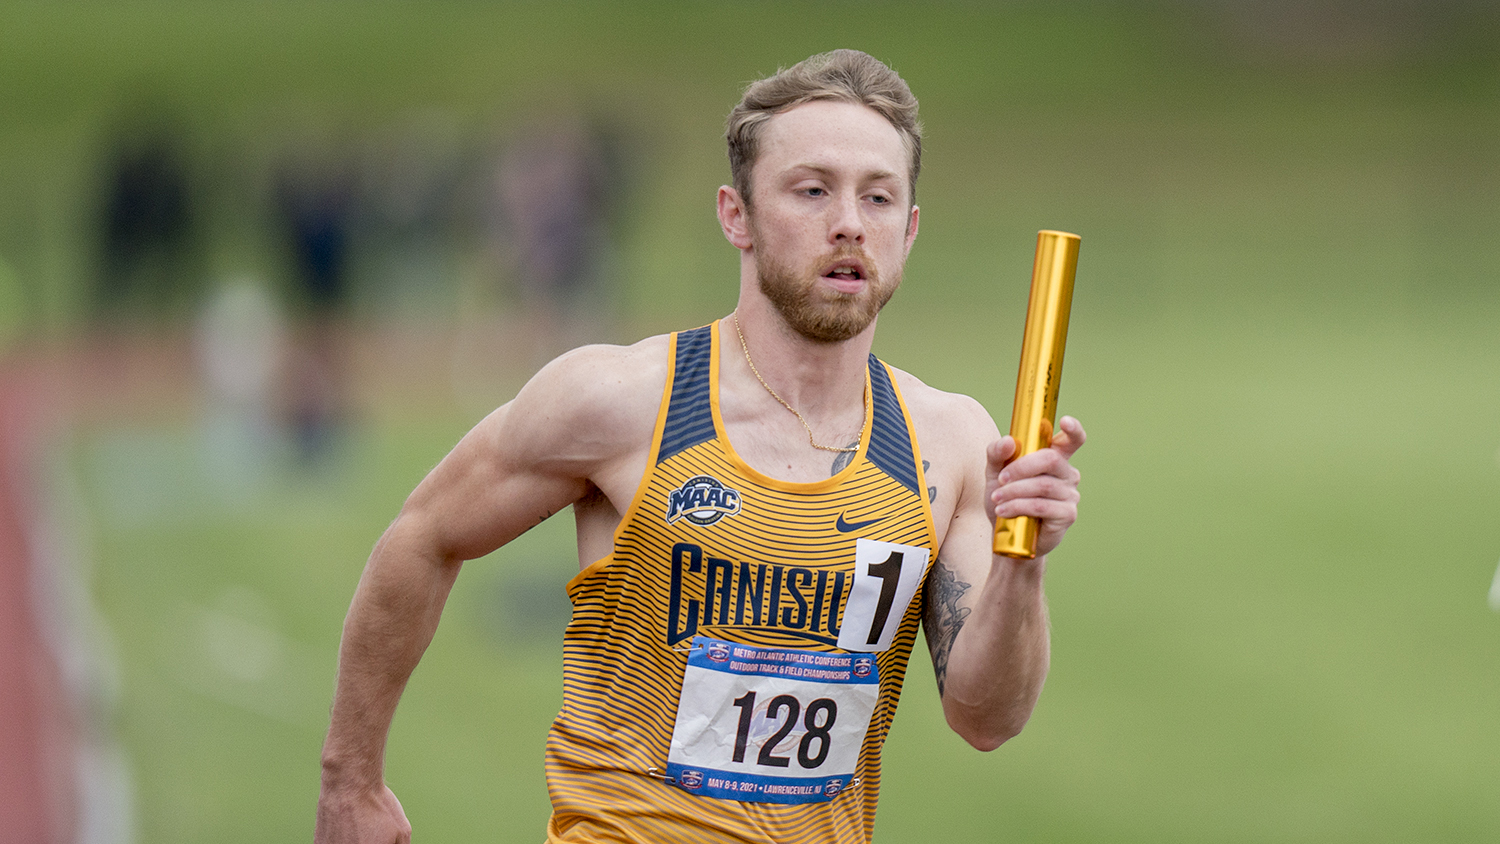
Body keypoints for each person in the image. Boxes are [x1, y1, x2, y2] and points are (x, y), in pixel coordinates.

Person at [314, 49, 1085, 844]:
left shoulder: (950, 442)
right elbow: (423, 537)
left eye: (878, 196)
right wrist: (352, 781)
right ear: (736, 215)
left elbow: (987, 716)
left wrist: (1022, 566)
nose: (850, 221)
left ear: (910, 229)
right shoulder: (623, 401)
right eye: (813, 190)